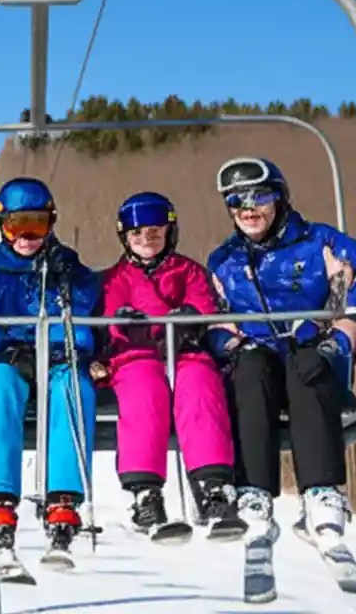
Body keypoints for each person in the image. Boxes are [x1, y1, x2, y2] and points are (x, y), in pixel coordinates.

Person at [205, 157, 356, 543]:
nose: (248, 209)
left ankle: (322, 491)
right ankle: (253, 491)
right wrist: (230, 343)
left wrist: (347, 328)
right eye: (237, 201)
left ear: (280, 198)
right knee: (250, 367)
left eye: (259, 196)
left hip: (314, 352)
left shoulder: (319, 240)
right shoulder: (225, 260)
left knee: (307, 363)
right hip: (260, 362)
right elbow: (215, 319)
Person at [0, 177, 101, 562]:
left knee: (73, 386)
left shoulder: (70, 272)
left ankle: (62, 498)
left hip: (56, 359)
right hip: (9, 360)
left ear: (51, 223)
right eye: (16, 225)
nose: (26, 235)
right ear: (2, 226)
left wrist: (62, 344)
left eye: (36, 225)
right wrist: (4, 348)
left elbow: (85, 322)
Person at [92, 192, 242, 538]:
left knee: (200, 384)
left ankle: (212, 485)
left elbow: (204, 304)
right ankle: (145, 492)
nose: (147, 241)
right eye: (137, 235)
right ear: (125, 238)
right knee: (144, 390)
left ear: (169, 233)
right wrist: (122, 321)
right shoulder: (116, 278)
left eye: (155, 233)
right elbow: (109, 316)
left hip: (184, 351)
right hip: (136, 355)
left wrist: (191, 319)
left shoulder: (187, 270)